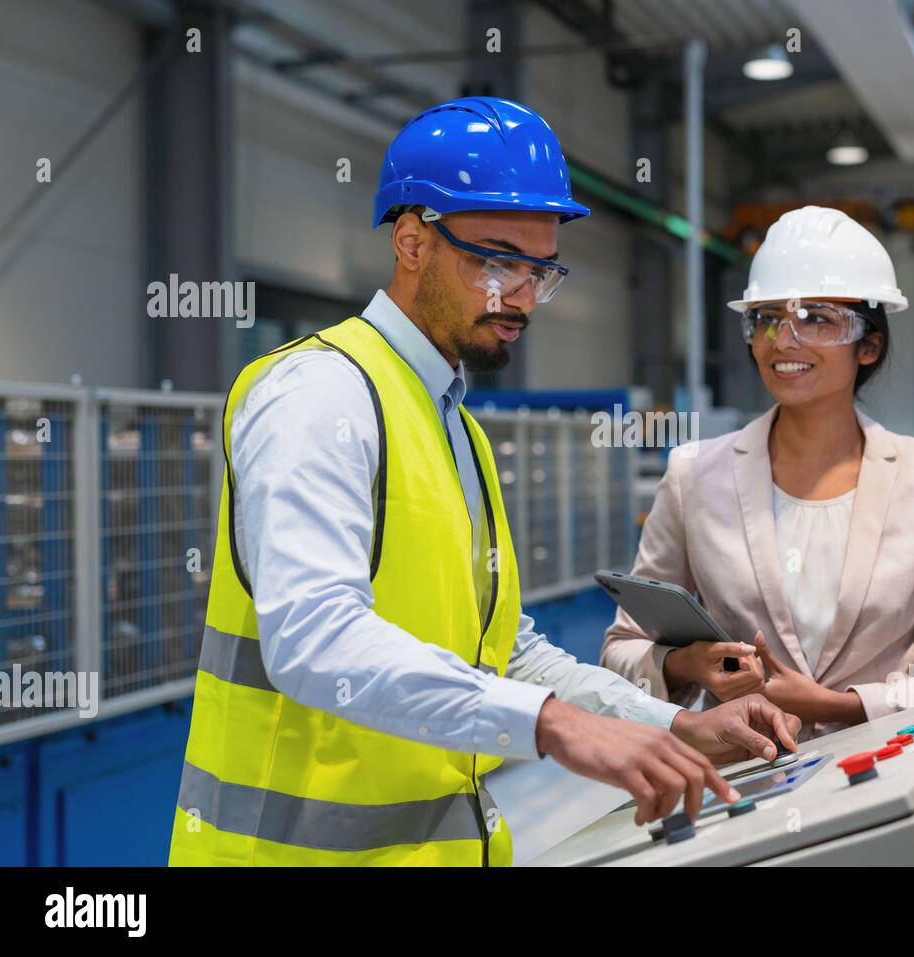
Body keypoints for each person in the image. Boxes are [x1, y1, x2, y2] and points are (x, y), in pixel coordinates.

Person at [168, 97, 798, 867]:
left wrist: (671, 724)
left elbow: (500, 652)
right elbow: (315, 639)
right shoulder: (317, 395)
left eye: (542, 270)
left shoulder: (455, 425)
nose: (523, 298)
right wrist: (552, 724)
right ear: (410, 240)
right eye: (498, 261)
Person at [601, 206, 914, 738]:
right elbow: (621, 652)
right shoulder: (694, 476)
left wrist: (838, 706)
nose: (784, 340)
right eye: (767, 318)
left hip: (884, 772)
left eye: (816, 318)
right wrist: (684, 665)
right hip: (745, 776)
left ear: (870, 345)